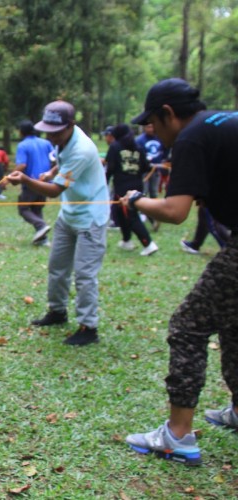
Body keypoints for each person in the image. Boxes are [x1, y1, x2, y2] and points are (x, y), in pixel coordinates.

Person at [122, 78, 238, 465]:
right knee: (232, 322)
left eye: (154, 122)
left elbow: (175, 212)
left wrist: (137, 200)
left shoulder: (190, 138)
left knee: (189, 325)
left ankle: (177, 436)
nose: (153, 131)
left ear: (168, 113)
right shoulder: (222, 123)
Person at [6, 101, 109, 346]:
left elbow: (53, 191)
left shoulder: (82, 149)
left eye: (56, 131)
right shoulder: (64, 141)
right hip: (69, 214)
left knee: (84, 274)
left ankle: (88, 327)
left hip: (90, 219)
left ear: (70, 125)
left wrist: (25, 179)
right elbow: (63, 167)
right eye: (48, 131)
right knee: (57, 266)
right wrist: (53, 171)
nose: (51, 136)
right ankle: (57, 312)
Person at [105, 124, 159, 256]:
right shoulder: (138, 147)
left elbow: (110, 167)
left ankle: (149, 244)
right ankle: (126, 240)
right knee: (120, 213)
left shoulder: (115, 146)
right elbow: (146, 167)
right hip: (137, 186)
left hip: (122, 188)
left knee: (131, 216)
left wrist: (104, 181)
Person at [13, 120, 54, 246]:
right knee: (37, 209)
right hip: (45, 182)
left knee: (23, 208)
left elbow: (22, 165)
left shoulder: (23, 145)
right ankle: (43, 239)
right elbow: (54, 160)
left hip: (31, 182)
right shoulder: (46, 143)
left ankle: (41, 225)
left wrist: (8, 178)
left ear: (21, 132)